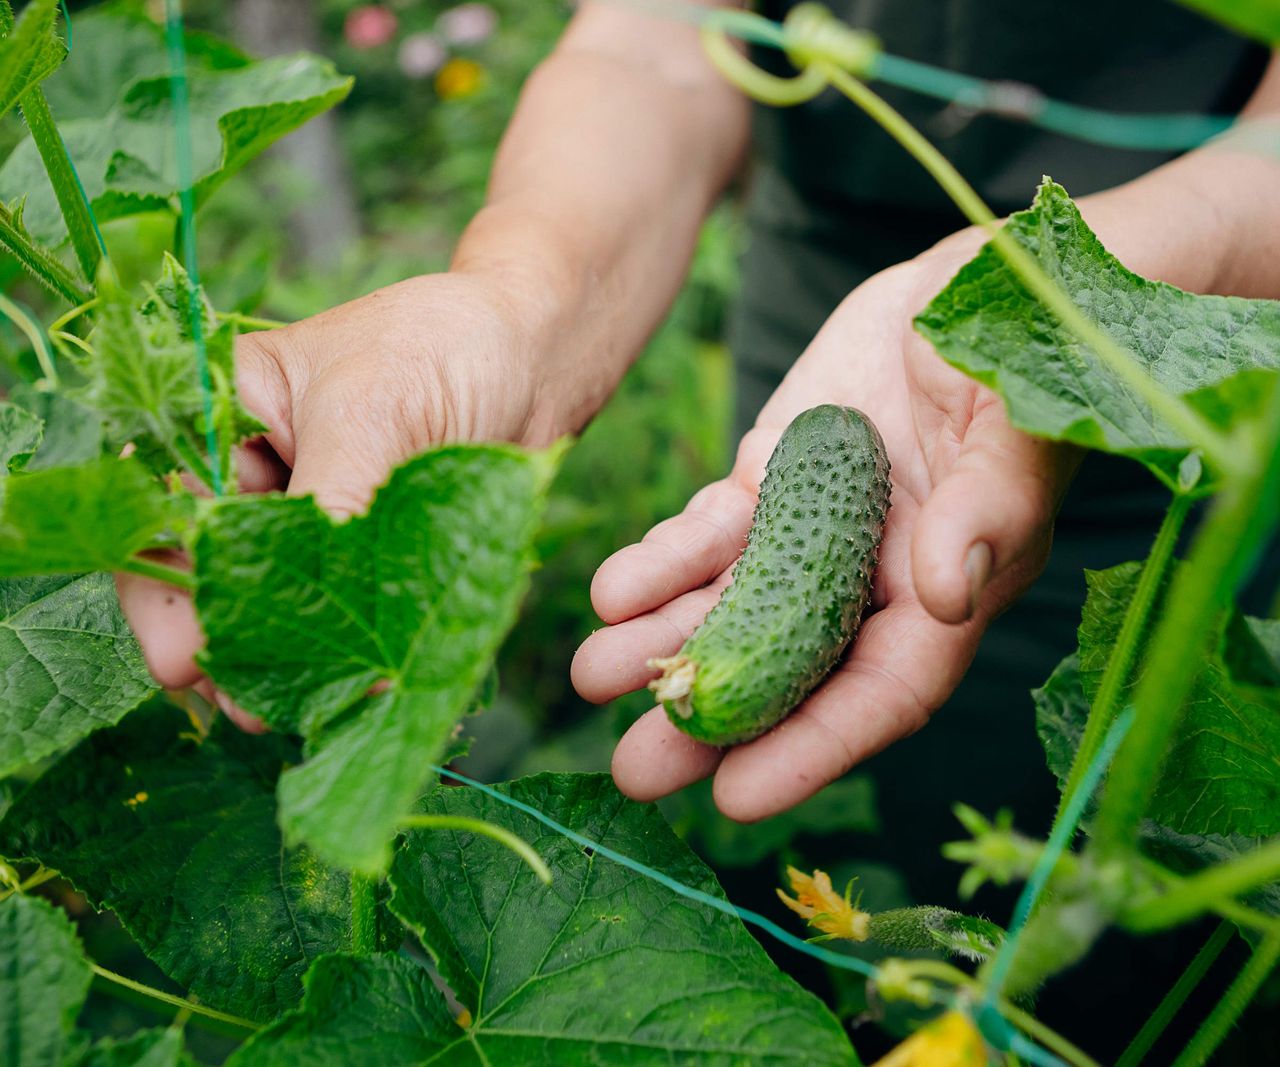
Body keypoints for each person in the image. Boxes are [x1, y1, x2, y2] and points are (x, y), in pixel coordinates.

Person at [118, 2, 1278, 1048]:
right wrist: (513, 304)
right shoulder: (832, 423)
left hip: (1193, 324)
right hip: (846, 299)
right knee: (805, 879)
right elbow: (652, 37)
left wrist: (1069, 299)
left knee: (1114, 895)